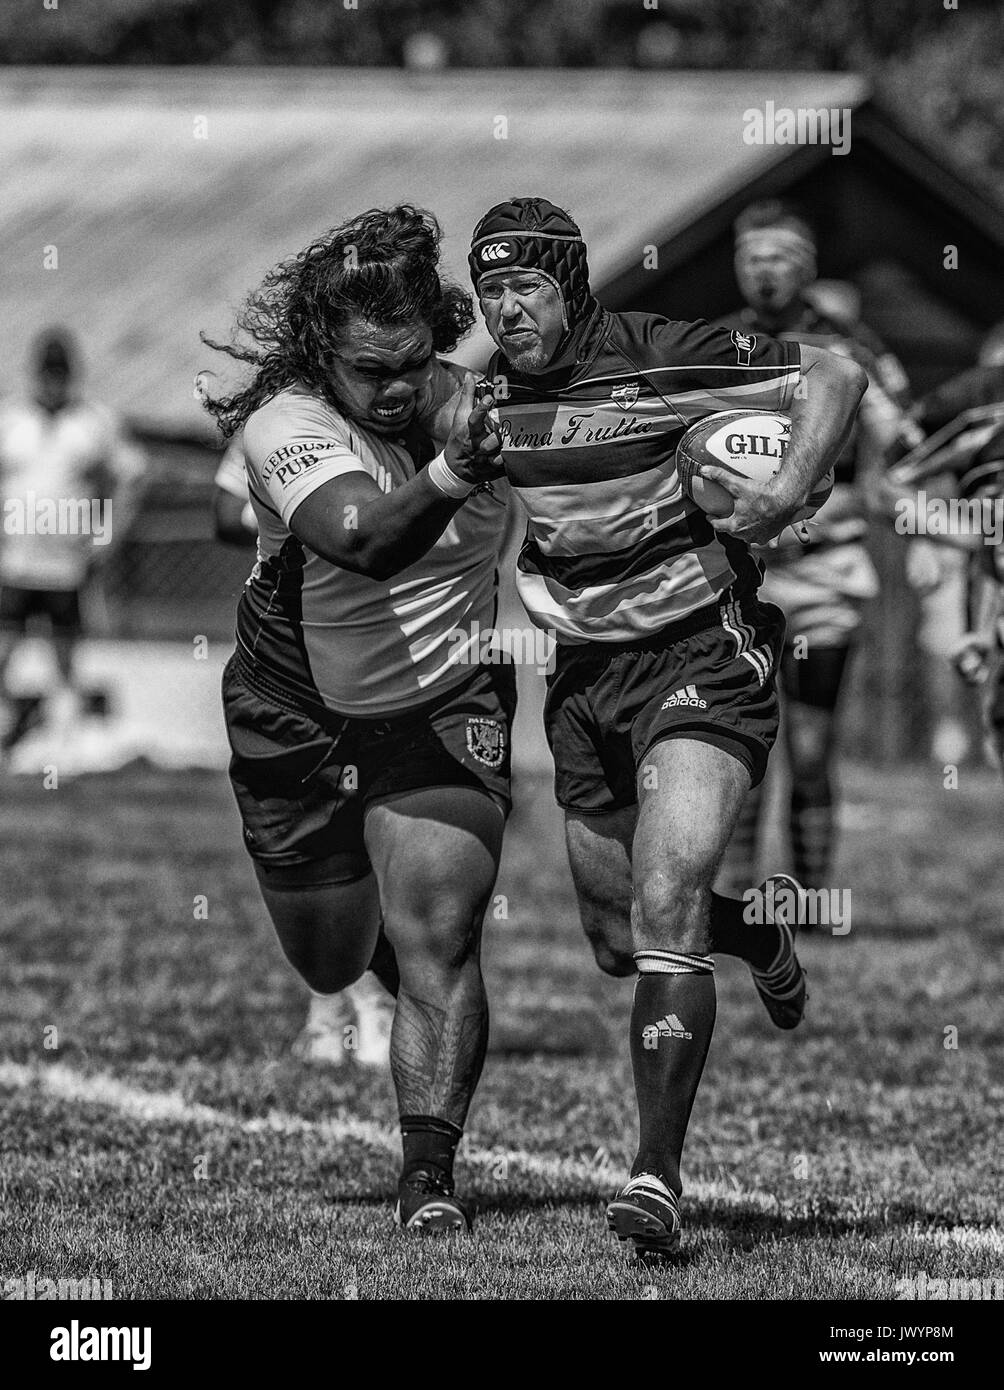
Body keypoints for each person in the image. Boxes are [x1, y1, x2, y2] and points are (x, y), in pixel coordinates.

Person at [467, 196, 865, 1259]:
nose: (505, 309)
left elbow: (833, 372)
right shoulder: (485, 397)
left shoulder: (661, 355)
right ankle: (753, 936)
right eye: (488, 291)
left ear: (570, 284)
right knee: (614, 940)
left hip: (701, 653)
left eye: (524, 288)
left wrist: (778, 497)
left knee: (662, 897)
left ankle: (655, 1173)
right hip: (583, 675)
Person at [201, 206, 510, 1233]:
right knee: (331, 959)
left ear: (437, 339)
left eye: (411, 364)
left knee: (443, 932)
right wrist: (456, 468)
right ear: (318, 355)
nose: (391, 390)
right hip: (296, 711)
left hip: (444, 702)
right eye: (366, 370)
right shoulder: (285, 424)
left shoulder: (483, 403)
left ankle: (429, 1178)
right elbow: (364, 539)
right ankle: (367, 924)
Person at [716, 201, 917, 898]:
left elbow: (908, 452)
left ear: (806, 266)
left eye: (778, 257)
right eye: (751, 258)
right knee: (739, 741)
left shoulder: (851, 347)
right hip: (743, 579)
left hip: (826, 577)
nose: (764, 271)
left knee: (807, 746)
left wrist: (861, 500)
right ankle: (735, 897)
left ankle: (813, 903)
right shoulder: (715, 346)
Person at [210, 433, 394, 1068]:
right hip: (293, 653)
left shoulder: (395, 414)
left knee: (375, 835)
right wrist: (301, 511)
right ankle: (327, 1008)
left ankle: (376, 1005)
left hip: (380, 651)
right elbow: (222, 513)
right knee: (315, 845)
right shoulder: (276, 423)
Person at [0, 329, 144, 749]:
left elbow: (132, 478)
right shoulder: (10, 419)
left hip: (66, 565)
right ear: (35, 373)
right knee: (6, 646)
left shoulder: (95, 422)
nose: (52, 381)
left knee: (65, 653)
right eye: (47, 372)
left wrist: (107, 535)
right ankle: (12, 724)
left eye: (60, 372)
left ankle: (65, 738)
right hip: (14, 562)